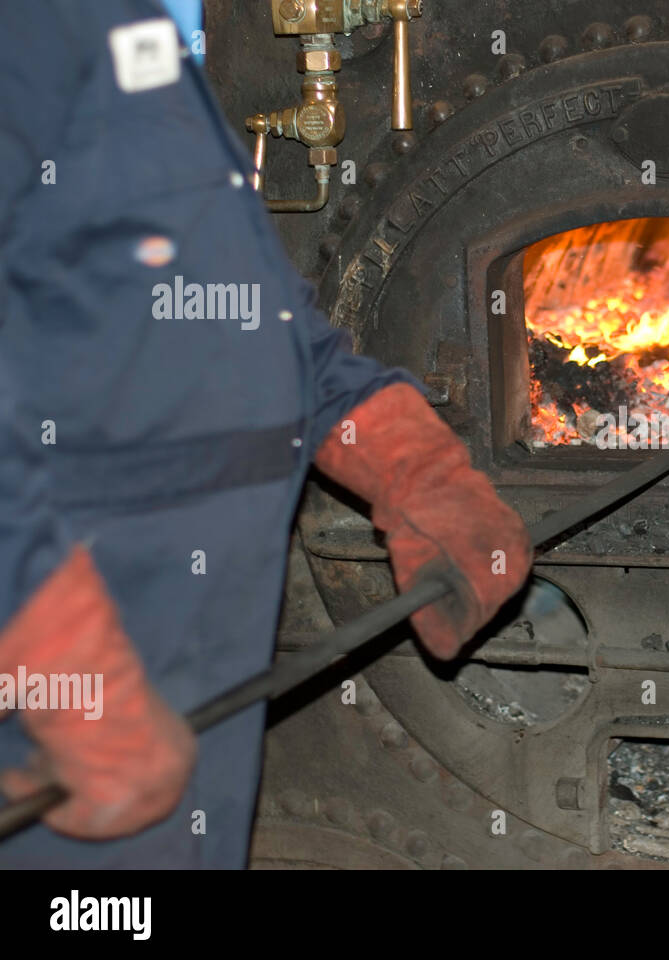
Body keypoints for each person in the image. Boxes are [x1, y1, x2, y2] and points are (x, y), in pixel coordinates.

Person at [0, 0, 531, 867]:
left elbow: (238, 310)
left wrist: (408, 459)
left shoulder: (125, 30)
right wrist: (52, 654)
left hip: (181, 682)